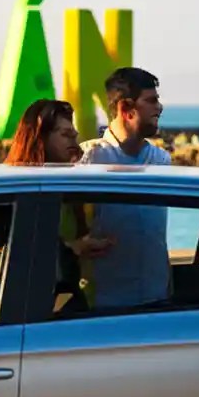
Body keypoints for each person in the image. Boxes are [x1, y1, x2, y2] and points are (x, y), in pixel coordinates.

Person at [3, 99, 113, 314]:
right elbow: (20, 256)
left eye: (74, 133)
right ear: (40, 138)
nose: (75, 139)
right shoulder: (16, 193)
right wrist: (75, 248)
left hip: (65, 307)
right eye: (65, 134)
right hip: (26, 311)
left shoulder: (68, 190)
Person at [77, 67, 172, 309]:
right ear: (125, 109)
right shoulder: (88, 159)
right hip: (103, 306)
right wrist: (74, 245)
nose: (159, 107)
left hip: (157, 301)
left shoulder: (162, 161)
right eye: (151, 101)